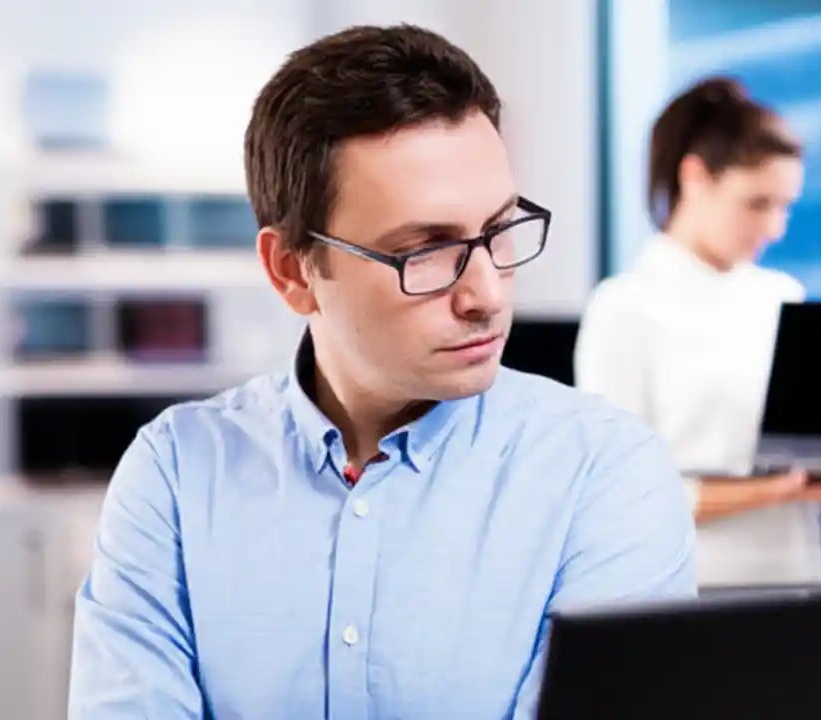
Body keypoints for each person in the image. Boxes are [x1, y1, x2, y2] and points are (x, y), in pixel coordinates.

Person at [69, 24, 695, 719]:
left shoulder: (604, 473)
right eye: (425, 250)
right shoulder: (177, 475)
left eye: (497, 231)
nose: (485, 293)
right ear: (293, 271)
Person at [575, 77, 821, 587]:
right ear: (695, 178)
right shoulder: (625, 306)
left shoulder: (782, 297)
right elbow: (623, 494)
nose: (775, 228)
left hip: (802, 579)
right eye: (757, 203)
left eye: (785, 206)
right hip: (689, 588)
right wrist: (783, 488)